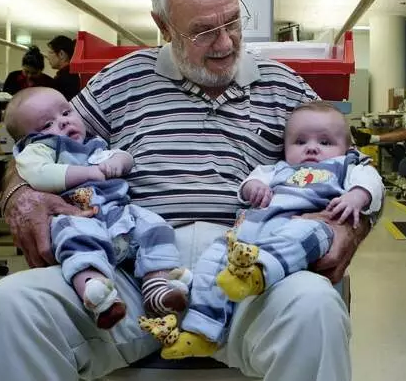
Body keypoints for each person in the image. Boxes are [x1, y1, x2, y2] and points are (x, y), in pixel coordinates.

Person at [0, 0, 365, 381]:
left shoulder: (286, 87)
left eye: (232, 20)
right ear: (163, 25)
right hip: (132, 270)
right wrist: (19, 192)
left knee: (314, 306)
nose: (225, 42)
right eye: (203, 31)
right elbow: (37, 148)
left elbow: (353, 166)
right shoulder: (120, 80)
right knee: (11, 304)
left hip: (248, 273)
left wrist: (351, 222)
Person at [140, 101, 383, 359]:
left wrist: (357, 197)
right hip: (250, 232)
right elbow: (250, 182)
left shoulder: (347, 166)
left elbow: (371, 182)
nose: (312, 148)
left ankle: (258, 274)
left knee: (300, 238)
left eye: (325, 143)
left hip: (308, 225)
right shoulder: (275, 170)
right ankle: (201, 333)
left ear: (346, 148)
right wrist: (252, 188)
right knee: (213, 260)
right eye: (300, 142)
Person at [3, 87, 192, 329]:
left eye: (65, 113)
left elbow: (122, 156)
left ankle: (157, 285)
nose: (62, 123)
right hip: (76, 213)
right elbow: (38, 174)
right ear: (28, 138)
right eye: (46, 124)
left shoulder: (92, 144)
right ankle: (96, 293)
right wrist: (88, 172)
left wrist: (119, 161)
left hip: (119, 213)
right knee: (78, 241)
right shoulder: (41, 148)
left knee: (154, 226)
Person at [47, 35, 81, 100]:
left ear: (61, 54)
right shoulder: (73, 75)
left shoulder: (64, 79)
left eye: (51, 52)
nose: (48, 57)